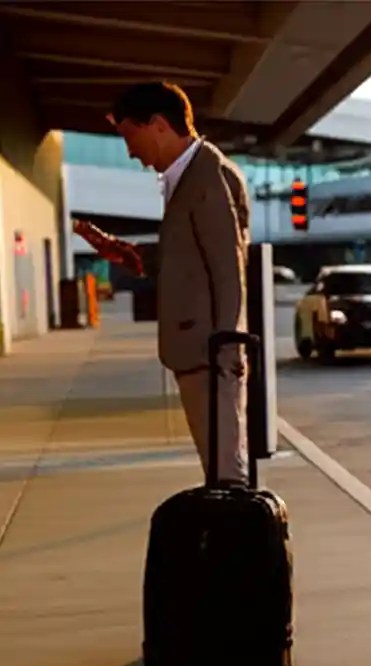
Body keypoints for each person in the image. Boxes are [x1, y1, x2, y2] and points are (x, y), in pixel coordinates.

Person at [73, 81, 251, 486]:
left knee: (227, 479)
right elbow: (192, 262)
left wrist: (225, 357)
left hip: (209, 356)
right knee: (221, 477)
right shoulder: (188, 176)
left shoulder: (207, 177)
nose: (130, 152)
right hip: (200, 352)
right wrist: (129, 254)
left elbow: (228, 272)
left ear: (157, 125)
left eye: (128, 136)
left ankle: (236, 548)